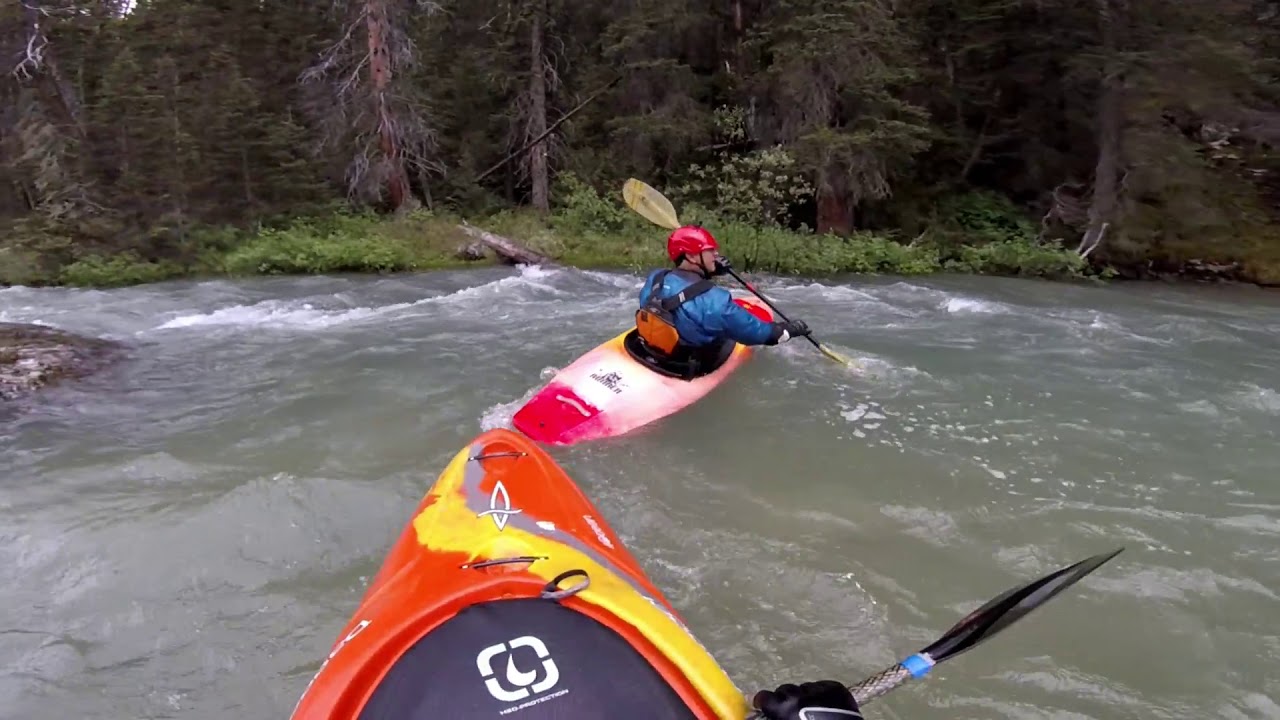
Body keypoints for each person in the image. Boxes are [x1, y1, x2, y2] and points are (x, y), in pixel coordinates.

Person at [633, 225, 812, 377]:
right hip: (685, 363)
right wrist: (787, 330)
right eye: (710, 251)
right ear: (692, 257)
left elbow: (686, 288)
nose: (716, 254)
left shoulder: (656, 278)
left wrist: (712, 270)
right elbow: (759, 334)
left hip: (650, 349)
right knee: (725, 334)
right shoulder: (716, 301)